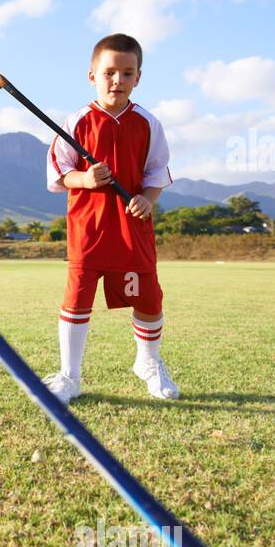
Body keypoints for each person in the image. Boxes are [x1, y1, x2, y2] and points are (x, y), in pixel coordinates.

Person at [43, 33, 179, 404]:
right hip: (88, 229)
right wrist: (86, 179)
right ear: (92, 76)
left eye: (127, 72)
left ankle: (148, 363)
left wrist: (146, 201)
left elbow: (156, 174)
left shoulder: (149, 124)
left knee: (148, 298)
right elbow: (59, 172)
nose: (117, 80)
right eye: (109, 72)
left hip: (132, 227)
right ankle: (70, 376)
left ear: (138, 77)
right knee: (77, 298)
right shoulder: (77, 121)